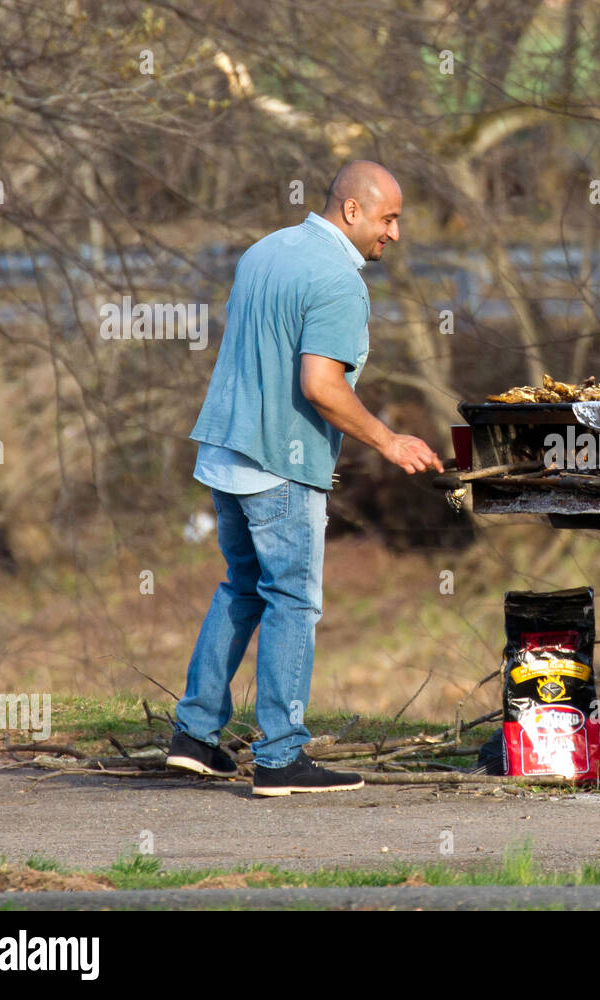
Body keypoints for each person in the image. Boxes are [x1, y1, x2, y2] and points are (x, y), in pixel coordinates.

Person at [166, 161, 443, 796]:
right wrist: (390, 440)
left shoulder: (265, 251)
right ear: (352, 211)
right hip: (279, 466)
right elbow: (320, 386)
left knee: (241, 587)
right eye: (388, 218)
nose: (394, 234)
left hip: (224, 451)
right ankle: (280, 758)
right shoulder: (339, 281)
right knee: (293, 600)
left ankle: (195, 736)